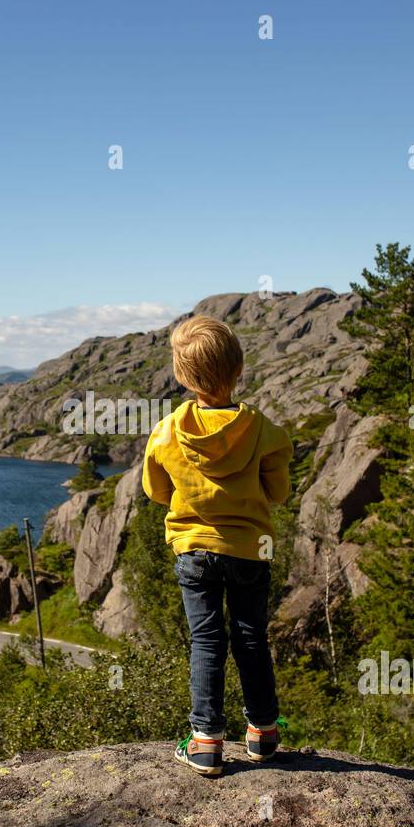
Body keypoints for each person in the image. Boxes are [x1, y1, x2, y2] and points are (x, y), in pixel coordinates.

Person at [141, 315, 293, 776]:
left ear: (182, 376)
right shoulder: (263, 429)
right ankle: (263, 733)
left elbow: (156, 491)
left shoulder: (167, 431)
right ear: (240, 367)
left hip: (194, 550)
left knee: (206, 641)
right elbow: (280, 492)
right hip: (250, 549)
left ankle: (206, 741)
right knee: (251, 637)